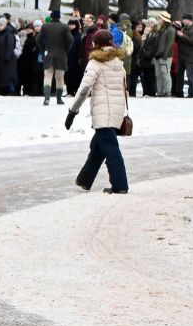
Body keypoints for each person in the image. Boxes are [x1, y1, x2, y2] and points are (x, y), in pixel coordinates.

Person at [66, 29, 130, 193]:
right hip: (116, 111)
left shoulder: (95, 63)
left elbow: (84, 89)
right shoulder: (119, 62)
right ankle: (85, 180)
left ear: (96, 44)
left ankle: (120, 185)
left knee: (110, 148)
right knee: (98, 146)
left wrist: (73, 111)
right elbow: (125, 89)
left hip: (103, 111)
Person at [39, 12, 70, 105]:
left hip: (49, 53)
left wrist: (43, 48)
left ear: (51, 17)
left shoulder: (45, 27)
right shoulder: (65, 27)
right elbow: (70, 39)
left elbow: (38, 39)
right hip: (61, 55)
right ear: (59, 17)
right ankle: (59, 99)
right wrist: (66, 49)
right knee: (60, 78)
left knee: (48, 76)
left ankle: (47, 98)